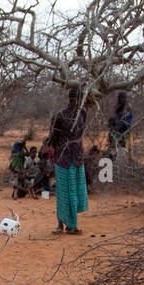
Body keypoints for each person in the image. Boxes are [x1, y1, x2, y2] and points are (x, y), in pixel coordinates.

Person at [46, 86, 88, 234]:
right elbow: (52, 137)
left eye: (78, 99)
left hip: (77, 157)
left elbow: (81, 133)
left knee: (75, 191)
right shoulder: (60, 116)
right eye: (74, 99)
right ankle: (60, 224)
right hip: (63, 158)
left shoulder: (83, 113)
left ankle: (72, 225)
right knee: (63, 192)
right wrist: (60, 147)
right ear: (71, 99)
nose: (76, 102)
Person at [107, 91, 133, 155]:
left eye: (124, 97)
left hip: (124, 130)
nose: (122, 99)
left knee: (123, 150)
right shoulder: (116, 106)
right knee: (113, 150)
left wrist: (118, 125)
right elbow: (114, 116)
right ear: (118, 98)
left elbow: (127, 119)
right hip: (115, 130)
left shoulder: (128, 106)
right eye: (121, 97)